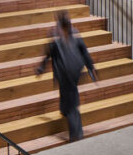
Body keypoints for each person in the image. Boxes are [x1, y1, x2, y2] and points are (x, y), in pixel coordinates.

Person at [36, 11, 97, 142]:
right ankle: (64, 110)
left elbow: (83, 52)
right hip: (65, 74)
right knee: (67, 95)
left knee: (72, 104)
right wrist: (41, 67)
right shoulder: (57, 37)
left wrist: (91, 67)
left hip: (71, 74)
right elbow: (49, 53)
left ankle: (76, 134)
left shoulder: (70, 36)